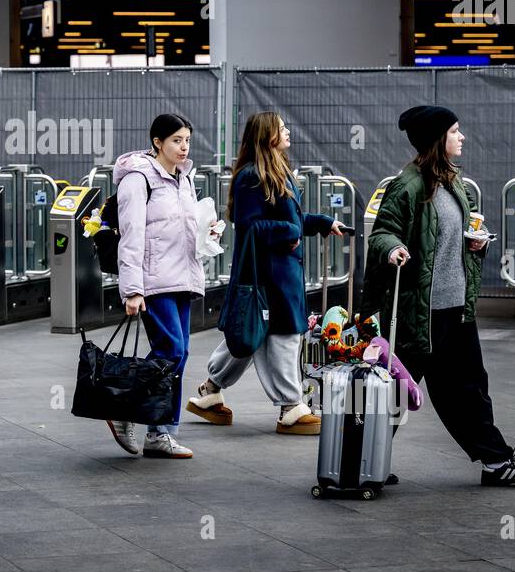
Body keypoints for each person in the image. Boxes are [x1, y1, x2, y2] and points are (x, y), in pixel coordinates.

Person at [359, 105, 515, 486]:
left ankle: (495, 462)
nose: (462, 137)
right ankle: (361, 463)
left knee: (469, 387)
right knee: (393, 392)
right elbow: (381, 232)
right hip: (418, 313)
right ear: (436, 140)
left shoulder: (453, 182)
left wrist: (475, 243)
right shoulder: (407, 186)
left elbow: (460, 230)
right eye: (455, 131)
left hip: (456, 308)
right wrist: (393, 247)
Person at [186, 111, 343, 434]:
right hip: (268, 272)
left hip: (277, 270)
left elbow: (290, 219)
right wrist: (288, 231)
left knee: (250, 332)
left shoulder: (275, 171)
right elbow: (249, 224)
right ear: (268, 136)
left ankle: (210, 390)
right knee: (284, 334)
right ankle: (290, 405)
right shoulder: (251, 177)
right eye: (282, 128)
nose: (288, 133)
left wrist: (323, 223)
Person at [106, 113, 208, 459]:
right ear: (157, 142)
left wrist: (207, 233)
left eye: (187, 140)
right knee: (171, 351)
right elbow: (131, 235)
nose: (183, 147)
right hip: (154, 280)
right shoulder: (138, 179)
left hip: (182, 277)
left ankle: (160, 432)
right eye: (177, 140)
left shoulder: (184, 178)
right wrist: (132, 289)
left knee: (179, 355)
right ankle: (124, 408)